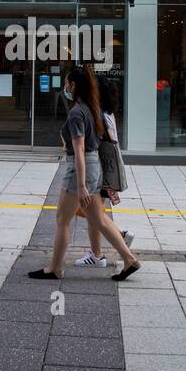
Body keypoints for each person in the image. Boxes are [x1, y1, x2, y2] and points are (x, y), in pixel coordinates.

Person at [29, 65, 139, 281]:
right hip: (94, 165)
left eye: (67, 83)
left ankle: (55, 268)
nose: (65, 87)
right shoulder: (92, 108)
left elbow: (79, 149)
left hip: (81, 168)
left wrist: (80, 185)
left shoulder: (77, 112)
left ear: (74, 85)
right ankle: (129, 260)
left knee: (63, 219)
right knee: (99, 219)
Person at [74, 75, 133, 268]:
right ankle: (98, 252)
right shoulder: (108, 111)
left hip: (98, 169)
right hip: (107, 169)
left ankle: (106, 247)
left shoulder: (96, 113)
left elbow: (92, 142)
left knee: (93, 213)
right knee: (93, 213)